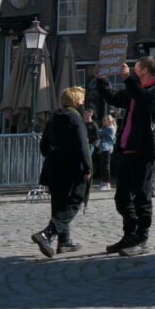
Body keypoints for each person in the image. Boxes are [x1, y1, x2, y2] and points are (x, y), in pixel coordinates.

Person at [92, 58, 155, 257]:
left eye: (136, 70)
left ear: (144, 71)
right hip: (127, 150)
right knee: (122, 198)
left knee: (142, 197)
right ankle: (130, 234)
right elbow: (115, 98)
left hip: (144, 151)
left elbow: (145, 102)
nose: (133, 73)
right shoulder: (137, 88)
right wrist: (102, 80)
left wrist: (128, 79)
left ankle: (142, 239)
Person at [31, 86, 92, 258]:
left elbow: (43, 145)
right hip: (72, 167)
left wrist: (54, 155)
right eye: (81, 100)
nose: (83, 103)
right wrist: (87, 167)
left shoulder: (54, 118)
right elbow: (82, 145)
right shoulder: (76, 118)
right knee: (74, 201)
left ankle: (64, 241)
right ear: (74, 101)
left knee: (58, 203)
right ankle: (48, 233)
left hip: (54, 165)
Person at [94, 114, 115, 191]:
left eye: (105, 120)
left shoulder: (110, 128)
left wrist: (100, 126)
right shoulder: (106, 128)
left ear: (110, 121)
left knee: (106, 167)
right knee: (103, 167)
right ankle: (103, 182)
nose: (103, 122)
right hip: (104, 149)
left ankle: (107, 184)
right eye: (103, 120)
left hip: (106, 149)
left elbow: (99, 132)